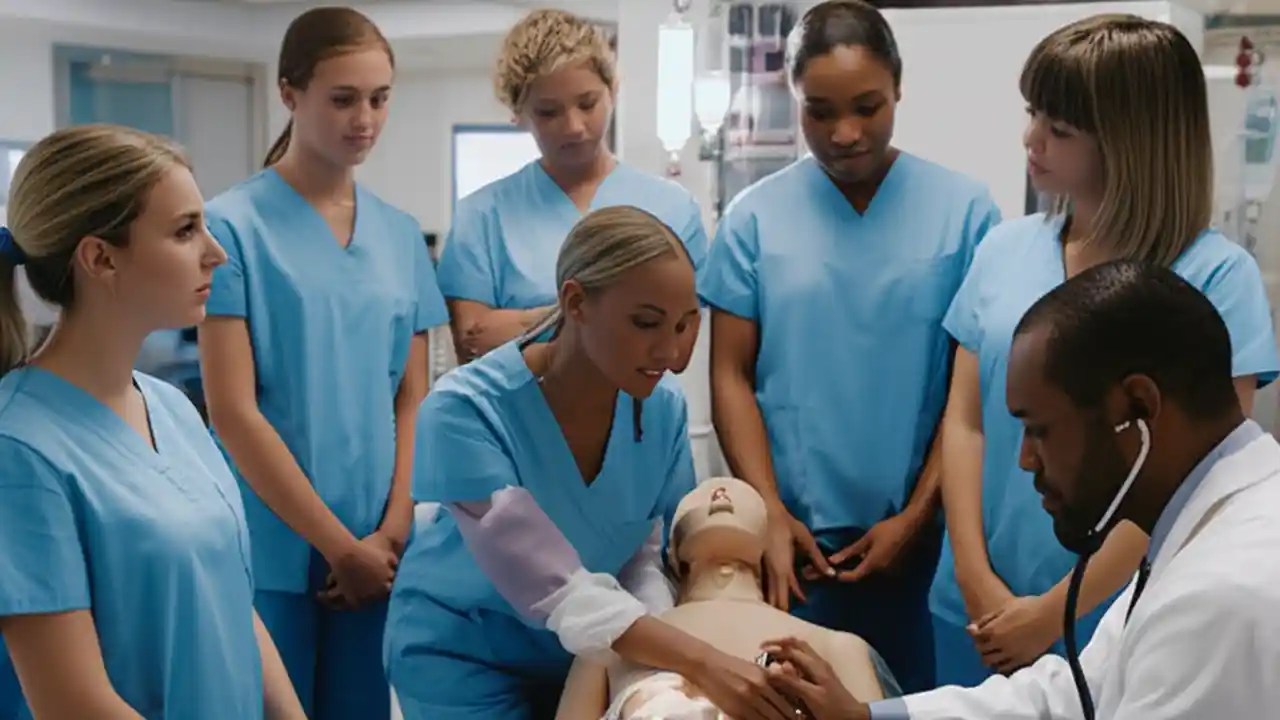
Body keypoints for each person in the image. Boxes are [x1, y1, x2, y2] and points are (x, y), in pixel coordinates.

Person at [760, 260, 1280, 719]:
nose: (1026, 459)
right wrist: (867, 718)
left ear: (1137, 408)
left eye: (1040, 430)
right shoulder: (1208, 526)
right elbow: (1079, 696)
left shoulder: (1218, 597)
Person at [926, 13, 1280, 688]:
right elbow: (965, 421)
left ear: (1129, 141)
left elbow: (1197, 473)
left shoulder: (1214, 278)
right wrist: (972, 576)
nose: (1031, 140)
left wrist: (1051, 613)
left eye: (1059, 129)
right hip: (972, 609)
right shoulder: (1003, 251)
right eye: (1032, 114)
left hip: (1119, 613)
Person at [384, 206, 797, 720]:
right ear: (575, 302)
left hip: (590, 651)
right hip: (464, 653)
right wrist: (701, 661)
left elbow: (646, 555)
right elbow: (555, 586)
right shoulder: (465, 410)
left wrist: (665, 667)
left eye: (684, 325)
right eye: (646, 323)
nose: (671, 353)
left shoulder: (660, 408)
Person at [699, 0, 1001, 694]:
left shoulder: (965, 214)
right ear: (793, 99)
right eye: (820, 111)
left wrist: (917, 517)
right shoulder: (753, 220)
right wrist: (770, 512)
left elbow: (970, 391)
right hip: (795, 553)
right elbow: (730, 376)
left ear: (899, 88)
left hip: (925, 545)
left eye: (868, 107)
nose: (845, 133)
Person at [0, 124, 305, 719]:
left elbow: (229, 601)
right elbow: (74, 705)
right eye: (185, 231)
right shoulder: (20, 450)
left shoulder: (172, 408)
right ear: (101, 258)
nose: (216, 253)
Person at [197, 7, 448, 719]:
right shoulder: (230, 227)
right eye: (343, 99)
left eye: (379, 98)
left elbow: (414, 398)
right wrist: (339, 547)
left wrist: (391, 532)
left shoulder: (400, 235)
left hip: (378, 548)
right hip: (275, 548)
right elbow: (232, 412)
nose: (364, 119)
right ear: (289, 93)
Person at [439, 8, 709, 362]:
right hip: (518, 401)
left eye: (588, 103)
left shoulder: (672, 209)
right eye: (548, 112)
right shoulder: (482, 216)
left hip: (641, 402)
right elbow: (474, 340)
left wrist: (533, 322)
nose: (574, 127)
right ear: (518, 114)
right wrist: (605, 314)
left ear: (613, 91)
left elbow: (678, 348)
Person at [555, 477, 894, 720]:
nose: (719, 493)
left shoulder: (837, 647)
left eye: (741, 497)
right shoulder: (610, 643)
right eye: (701, 497)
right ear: (673, 556)